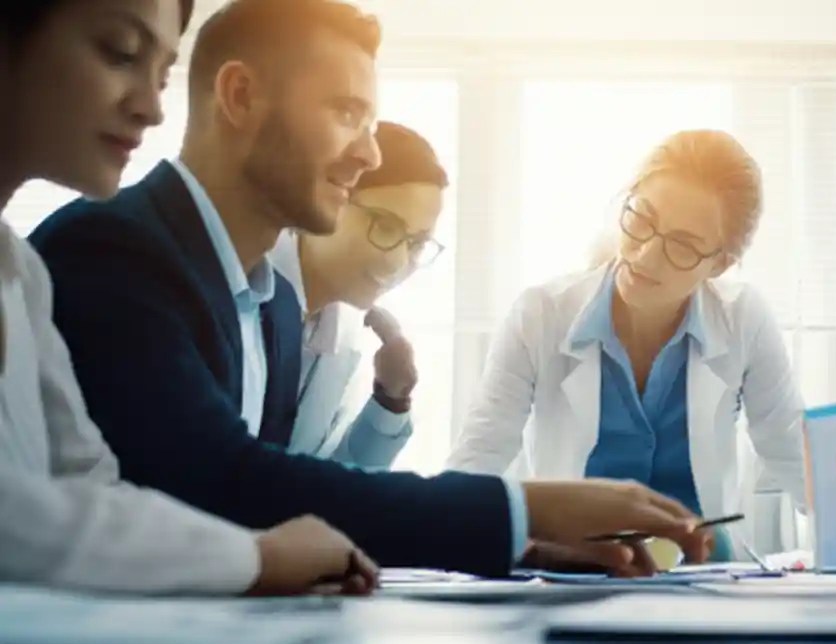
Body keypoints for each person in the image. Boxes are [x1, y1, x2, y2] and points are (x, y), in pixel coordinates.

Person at [29, 0, 711, 579]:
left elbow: (267, 489)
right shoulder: (117, 250)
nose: (371, 152)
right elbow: (218, 484)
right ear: (238, 97)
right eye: (347, 113)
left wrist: (521, 543)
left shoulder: (262, 299)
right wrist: (521, 508)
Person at [0, 0, 377, 596]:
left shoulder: (21, 272)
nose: (150, 108)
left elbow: (89, 484)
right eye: (121, 52)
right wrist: (255, 558)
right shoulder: (107, 248)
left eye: (162, 74)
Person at [446, 129, 807, 561]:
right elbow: (477, 460)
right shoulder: (540, 316)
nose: (644, 256)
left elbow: (797, 457)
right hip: (573, 574)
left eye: (684, 246)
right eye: (641, 220)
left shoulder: (744, 318)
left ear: (720, 263)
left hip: (703, 577)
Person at [269, 121, 445, 468]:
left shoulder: (341, 329)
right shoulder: (237, 294)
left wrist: (390, 401)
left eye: (417, 243)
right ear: (326, 196)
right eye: (384, 225)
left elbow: (322, 482)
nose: (397, 261)